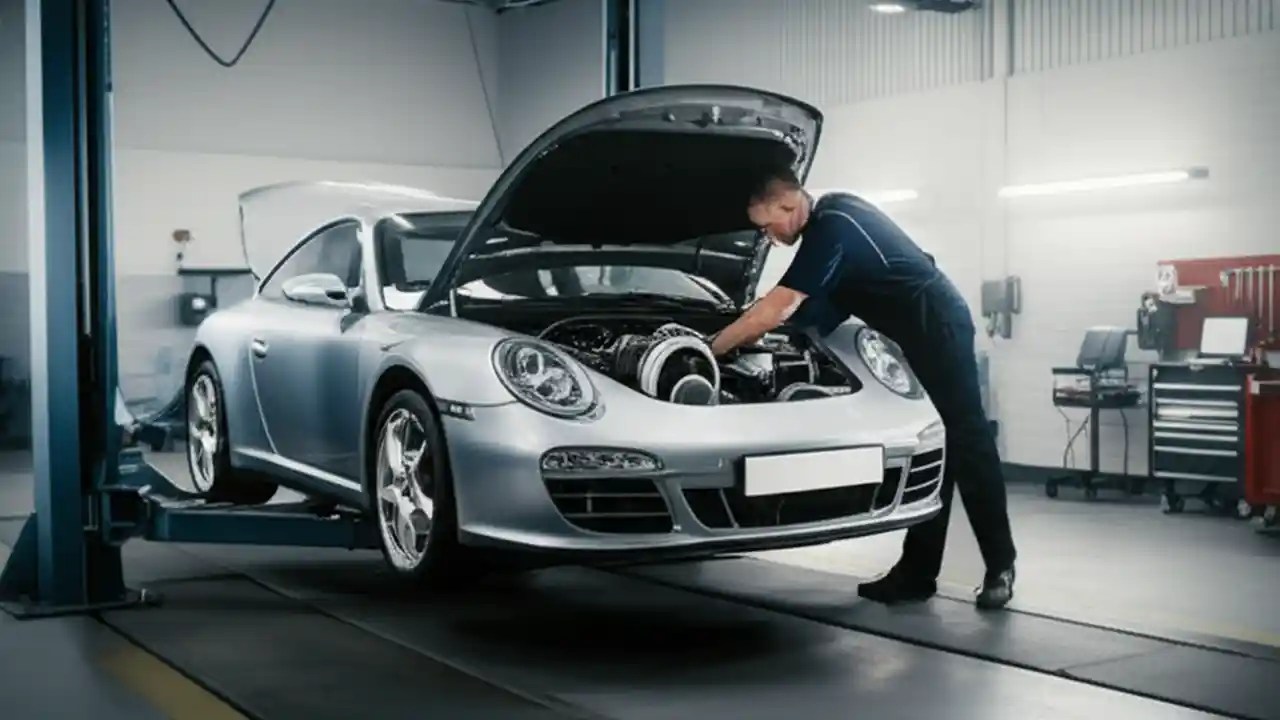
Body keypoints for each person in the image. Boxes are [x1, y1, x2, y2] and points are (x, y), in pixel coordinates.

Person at [709, 165, 1017, 609]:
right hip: (912, 332)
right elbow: (805, 318)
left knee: (967, 440)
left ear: (788, 205)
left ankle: (1001, 566)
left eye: (767, 226)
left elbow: (773, 309)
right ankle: (917, 574)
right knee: (937, 448)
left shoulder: (834, 228)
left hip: (939, 325)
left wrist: (713, 348)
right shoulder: (828, 225)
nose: (770, 238)